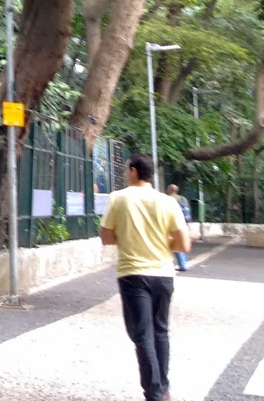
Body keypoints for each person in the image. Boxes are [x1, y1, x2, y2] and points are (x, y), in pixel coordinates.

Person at [101, 153, 192, 401]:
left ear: (133, 170)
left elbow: (106, 237)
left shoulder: (118, 198)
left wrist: (129, 237)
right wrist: (161, 240)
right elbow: (184, 245)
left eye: (126, 169)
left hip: (133, 274)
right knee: (160, 331)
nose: (125, 173)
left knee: (142, 335)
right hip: (163, 275)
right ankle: (163, 388)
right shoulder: (168, 202)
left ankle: (155, 393)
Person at [166, 185, 192, 271]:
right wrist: (187, 223)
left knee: (172, 243)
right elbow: (187, 211)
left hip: (172, 223)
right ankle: (182, 264)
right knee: (180, 242)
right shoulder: (183, 198)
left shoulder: (168, 199)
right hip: (183, 223)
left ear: (170, 190)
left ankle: (181, 265)